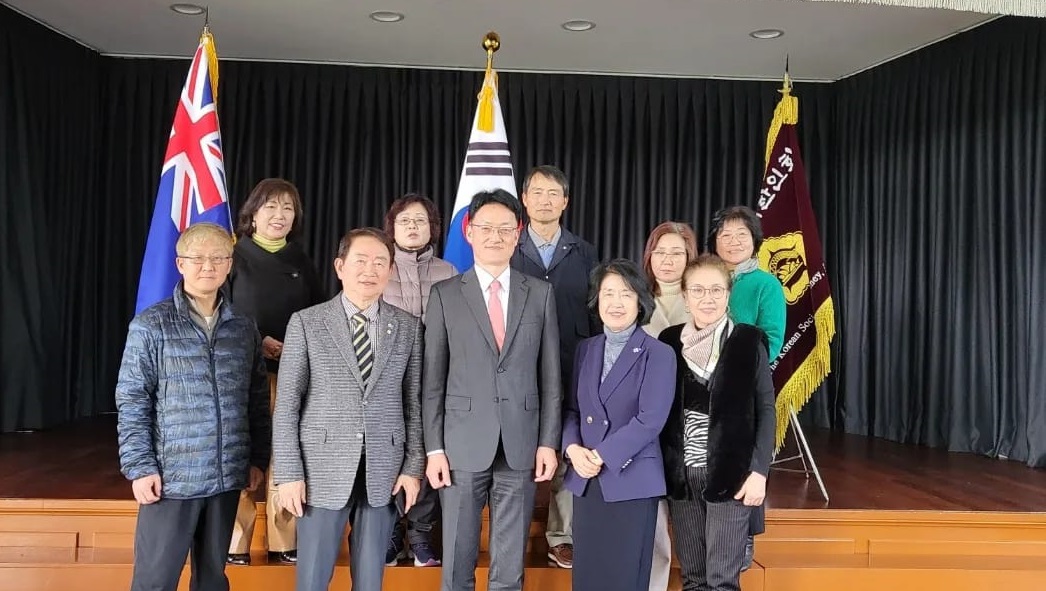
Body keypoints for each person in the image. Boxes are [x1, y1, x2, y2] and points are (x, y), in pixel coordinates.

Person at [116, 222, 270, 591]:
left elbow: (257, 400)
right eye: (198, 258)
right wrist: (140, 466)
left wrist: (257, 459)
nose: (208, 266)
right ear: (180, 263)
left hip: (226, 476)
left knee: (212, 579)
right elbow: (132, 399)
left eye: (218, 258)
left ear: (229, 263)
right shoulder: (151, 325)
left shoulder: (243, 327)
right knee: (155, 579)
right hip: (172, 480)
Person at [423, 189, 562, 591]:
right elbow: (433, 380)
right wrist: (434, 448)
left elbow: (550, 377)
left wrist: (548, 442)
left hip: (521, 443)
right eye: (486, 228)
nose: (495, 237)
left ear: (518, 234)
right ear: (469, 232)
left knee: (508, 566)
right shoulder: (445, 294)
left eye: (505, 229)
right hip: (461, 445)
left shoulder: (539, 293)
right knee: (457, 563)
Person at [272, 228, 424, 591]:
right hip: (320, 469)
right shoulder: (307, 323)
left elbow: (413, 404)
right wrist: (289, 472)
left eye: (379, 263)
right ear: (340, 266)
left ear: (390, 271)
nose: (369, 270)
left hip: (383, 471)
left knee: (370, 581)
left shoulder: (407, 327)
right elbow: (287, 404)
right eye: (360, 260)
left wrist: (413, 467)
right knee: (312, 579)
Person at [658, 255, 776, 591]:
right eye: (697, 290)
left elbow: (767, 409)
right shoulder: (668, 342)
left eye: (715, 290)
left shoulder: (748, 341)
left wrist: (759, 471)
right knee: (693, 579)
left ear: (728, 294)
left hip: (732, 476)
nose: (707, 298)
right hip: (682, 479)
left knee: (722, 581)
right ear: (685, 295)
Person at [227, 178, 324, 566]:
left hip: (293, 373)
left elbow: (319, 315)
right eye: (270, 206)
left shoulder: (301, 260)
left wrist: (296, 348)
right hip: (244, 373)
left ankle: (284, 539)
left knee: (287, 454)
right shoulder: (235, 256)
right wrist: (259, 339)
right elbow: (224, 313)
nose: (279, 215)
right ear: (252, 213)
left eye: (287, 208)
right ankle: (235, 541)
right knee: (243, 453)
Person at [562, 259, 675, 591]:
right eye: (607, 293)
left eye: (625, 294)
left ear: (640, 300)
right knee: (589, 576)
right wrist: (572, 448)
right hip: (586, 479)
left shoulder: (659, 353)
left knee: (625, 576)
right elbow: (572, 410)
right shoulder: (586, 349)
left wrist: (600, 455)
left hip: (630, 478)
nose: (615, 302)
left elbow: (650, 420)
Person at [511, 165, 600, 569]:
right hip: (517, 365)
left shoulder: (584, 252)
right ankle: (509, 530)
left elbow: (597, 311)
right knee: (515, 447)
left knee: (570, 443)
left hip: (573, 363)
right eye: (538, 192)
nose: (545, 200)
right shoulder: (507, 247)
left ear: (565, 201)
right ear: (524, 198)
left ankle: (561, 535)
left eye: (554, 194)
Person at [706, 205, 786, 569]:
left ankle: (745, 540)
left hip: (743, 385)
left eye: (741, 234)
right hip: (702, 379)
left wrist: (735, 370)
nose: (733, 241)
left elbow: (771, 338)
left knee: (741, 460)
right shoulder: (707, 276)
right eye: (725, 234)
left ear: (755, 240)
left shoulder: (765, 284)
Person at [380, 193, 457, 567]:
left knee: (429, 451)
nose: (413, 227)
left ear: (433, 228)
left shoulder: (449, 272)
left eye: (421, 220)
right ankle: (392, 532)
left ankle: (423, 533)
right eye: (405, 220)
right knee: (390, 452)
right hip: (385, 380)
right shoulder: (378, 268)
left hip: (435, 381)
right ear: (391, 227)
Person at [639, 220, 699, 591]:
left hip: (688, 422)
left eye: (677, 252)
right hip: (646, 425)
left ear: (689, 257)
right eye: (660, 251)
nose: (667, 259)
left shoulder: (702, 299)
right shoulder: (633, 297)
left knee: (690, 512)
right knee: (655, 519)